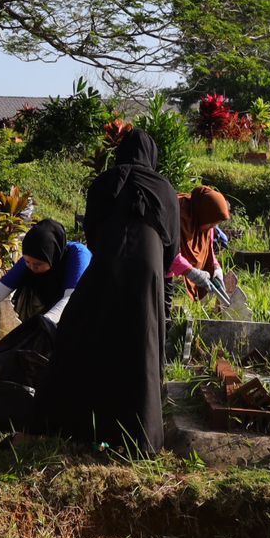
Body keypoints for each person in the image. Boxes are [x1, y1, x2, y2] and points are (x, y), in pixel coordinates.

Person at [29, 128, 179, 454]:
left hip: (107, 266)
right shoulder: (165, 188)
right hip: (147, 272)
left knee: (81, 334)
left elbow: (93, 233)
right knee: (141, 346)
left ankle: (75, 426)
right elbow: (171, 246)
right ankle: (138, 440)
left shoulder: (103, 182)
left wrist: (111, 255)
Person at [0, 218, 90, 345]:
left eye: (37, 264)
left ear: (52, 258)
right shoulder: (30, 261)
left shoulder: (77, 256)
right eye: (28, 262)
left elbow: (71, 299)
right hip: (49, 321)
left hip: (85, 318)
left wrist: (42, 324)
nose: (31, 267)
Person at [170, 186, 232, 302]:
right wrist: (189, 271)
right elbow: (168, 250)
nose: (212, 228)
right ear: (203, 214)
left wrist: (216, 267)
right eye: (211, 223)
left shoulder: (205, 223)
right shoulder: (176, 216)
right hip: (167, 280)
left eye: (215, 225)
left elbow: (208, 249)